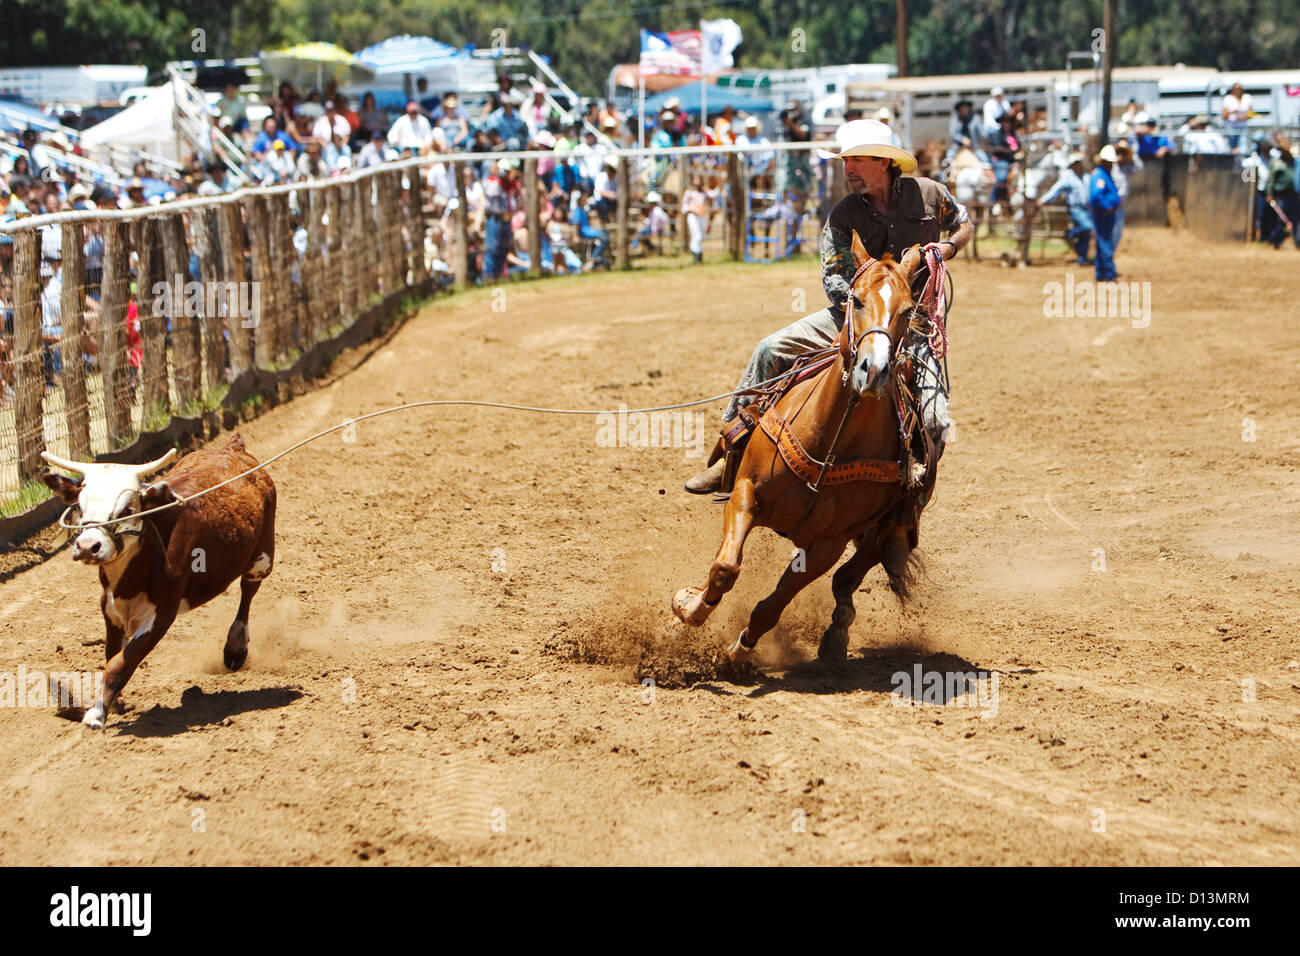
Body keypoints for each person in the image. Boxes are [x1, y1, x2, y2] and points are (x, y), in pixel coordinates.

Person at [685, 120, 973, 495]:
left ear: (883, 162)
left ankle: (910, 495)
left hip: (913, 323)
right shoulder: (843, 215)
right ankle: (731, 454)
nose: (846, 169)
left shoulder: (931, 195)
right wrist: (868, 310)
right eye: (844, 162)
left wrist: (946, 249)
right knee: (770, 349)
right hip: (852, 317)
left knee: (935, 418)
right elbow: (833, 279)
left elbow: (963, 224)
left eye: (855, 160)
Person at [1034, 153, 1092, 265]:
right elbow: (1056, 190)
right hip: (1076, 208)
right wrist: (1043, 200)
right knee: (1087, 227)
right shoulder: (1068, 177)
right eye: (1075, 163)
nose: (1078, 165)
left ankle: (1082, 259)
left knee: (1085, 235)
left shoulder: (1086, 176)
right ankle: (1069, 234)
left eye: (1079, 163)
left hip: (1087, 208)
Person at [1089, 145, 1121, 282]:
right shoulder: (1100, 176)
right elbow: (1095, 195)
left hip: (1106, 214)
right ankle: (1108, 273)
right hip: (1104, 214)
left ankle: (1102, 272)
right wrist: (1107, 206)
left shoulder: (1104, 174)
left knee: (1104, 242)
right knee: (1105, 242)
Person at [1264, 136, 1300, 249]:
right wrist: (1269, 194)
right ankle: (1276, 241)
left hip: (1294, 195)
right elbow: (1271, 179)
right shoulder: (1276, 163)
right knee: (1281, 220)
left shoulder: (1294, 162)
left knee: (1295, 219)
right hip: (1281, 196)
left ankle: (1297, 242)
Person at [1221, 81, 1252, 153]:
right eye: (1235, 88)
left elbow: (1251, 113)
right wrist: (1233, 112)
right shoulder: (1228, 99)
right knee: (1231, 147)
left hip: (1243, 126)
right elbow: (1224, 115)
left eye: (1239, 88)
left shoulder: (1247, 98)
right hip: (1231, 127)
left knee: (1243, 147)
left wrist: (1244, 116)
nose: (1237, 90)